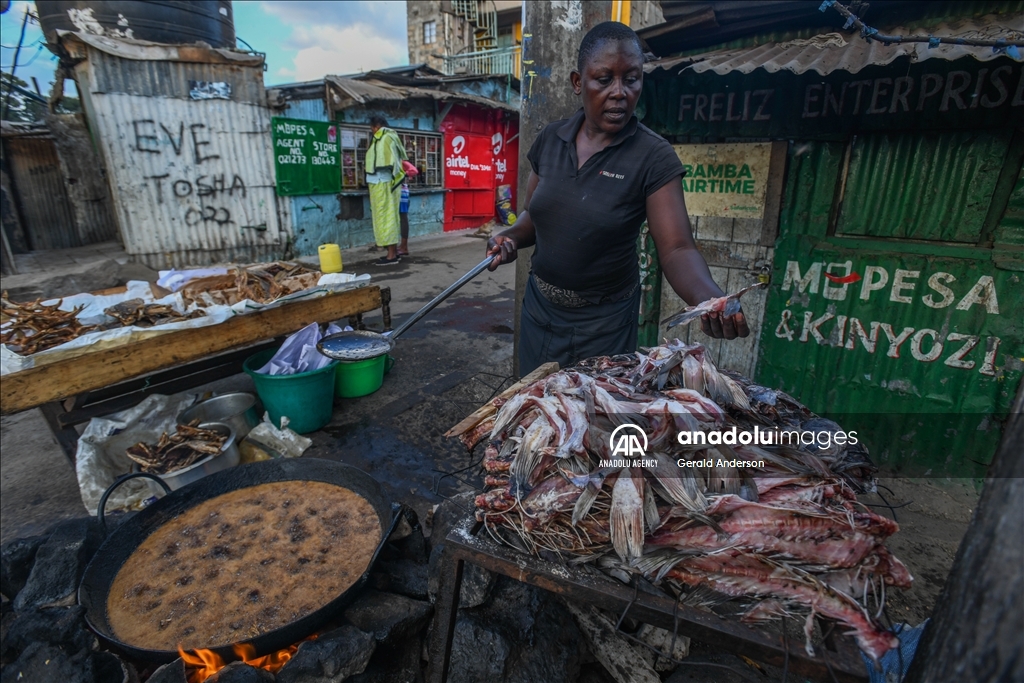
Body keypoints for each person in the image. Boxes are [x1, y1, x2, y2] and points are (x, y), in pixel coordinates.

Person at [486, 21, 749, 374]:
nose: (619, 91)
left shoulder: (653, 156)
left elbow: (676, 249)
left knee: (596, 419)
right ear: (578, 82)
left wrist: (710, 299)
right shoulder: (551, 139)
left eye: (631, 78)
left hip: (604, 324)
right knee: (538, 410)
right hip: (540, 311)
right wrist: (509, 237)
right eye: (604, 79)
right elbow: (532, 217)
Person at [365, 115, 407, 266]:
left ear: (376, 127)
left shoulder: (384, 137)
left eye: (372, 128)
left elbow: (389, 162)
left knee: (385, 219)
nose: (372, 131)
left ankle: (391, 256)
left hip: (383, 182)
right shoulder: (390, 137)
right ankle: (393, 253)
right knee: (389, 218)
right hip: (384, 182)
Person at [398, 181, 411, 257]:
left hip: (399, 191)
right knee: (403, 218)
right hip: (402, 190)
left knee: (403, 219)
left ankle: (403, 246)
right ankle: (403, 246)